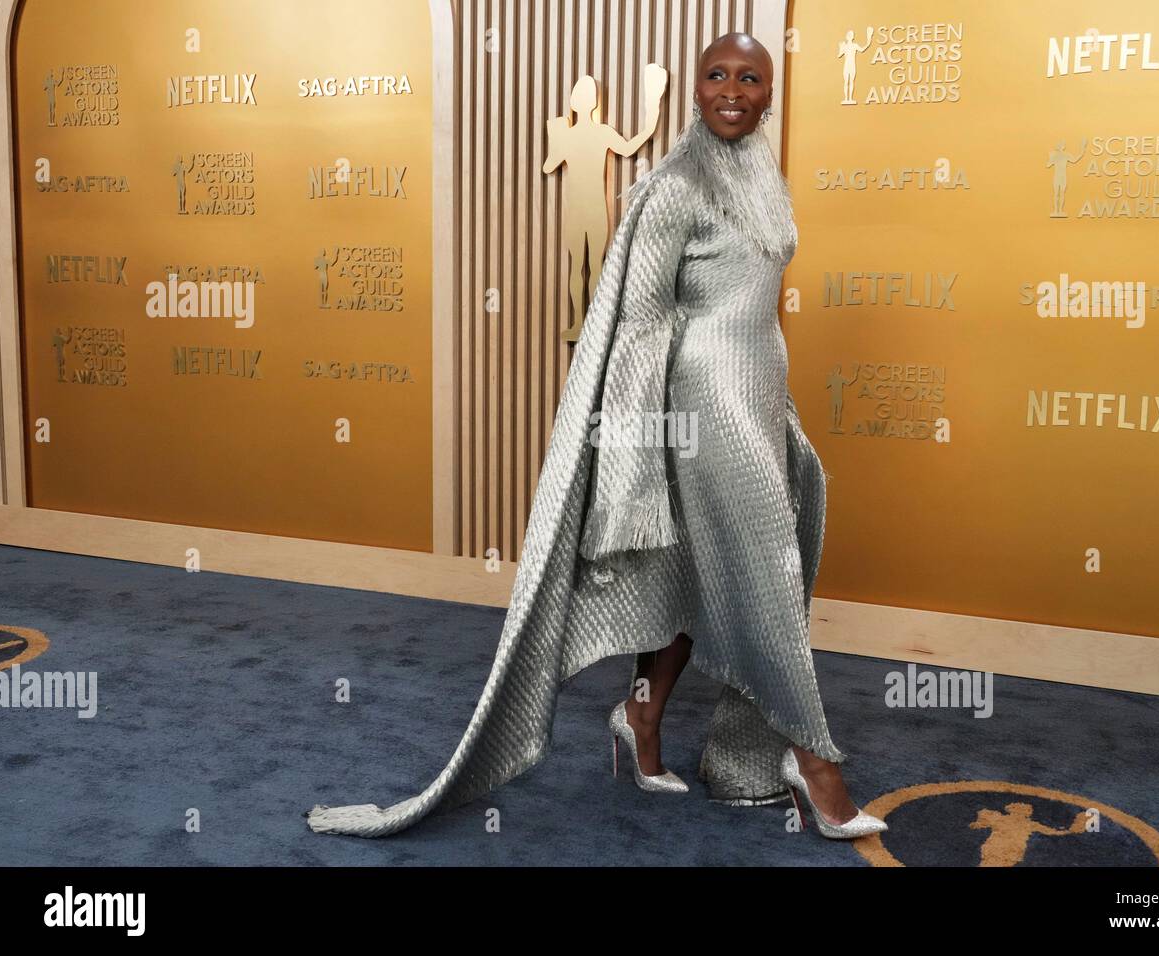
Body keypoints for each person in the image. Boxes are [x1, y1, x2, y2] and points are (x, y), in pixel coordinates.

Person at [304, 32, 887, 842]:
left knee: (695, 575)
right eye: (716, 74)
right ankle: (813, 763)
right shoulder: (675, 186)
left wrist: (772, 398)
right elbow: (643, 325)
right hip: (701, 403)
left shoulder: (761, 176)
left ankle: (639, 720)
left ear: (768, 92)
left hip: (757, 392)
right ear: (696, 86)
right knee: (766, 569)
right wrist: (634, 456)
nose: (730, 89)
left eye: (748, 77)